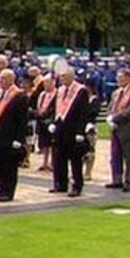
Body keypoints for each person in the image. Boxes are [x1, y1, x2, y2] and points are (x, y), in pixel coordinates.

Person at [0, 69, 29, 202]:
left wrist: (19, 139)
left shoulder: (19, 96)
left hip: (9, 135)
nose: (0, 81)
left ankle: (8, 191)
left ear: (11, 79)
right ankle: (1, 188)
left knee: (9, 165)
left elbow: (22, 120)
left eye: (3, 78)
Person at [49, 67, 89, 197]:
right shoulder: (60, 91)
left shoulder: (80, 91)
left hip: (73, 129)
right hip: (61, 128)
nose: (62, 79)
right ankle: (61, 183)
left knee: (75, 159)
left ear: (72, 76)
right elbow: (55, 108)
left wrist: (80, 132)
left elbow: (83, 113)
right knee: (59, 158)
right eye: (61, 76)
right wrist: (53, 123)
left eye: (64, 76)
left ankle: (77, 185)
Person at [105, 68, 130, 192]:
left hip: (127, 129)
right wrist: (110, 117)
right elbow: (111, 107)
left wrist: (115, 118)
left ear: (128, 78)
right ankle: (117, 179)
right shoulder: (115, 93)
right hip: (115, 129)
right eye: (118, 77)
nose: (118, 80)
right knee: (115, 156)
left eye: (121, 77)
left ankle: (128, 181)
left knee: (129, 157)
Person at [33, 75, 56, 172]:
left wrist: (46, 114)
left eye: (47, 82)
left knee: (51, 143)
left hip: (50, 121)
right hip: (41, 120)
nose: (45, 85)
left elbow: (54, 108)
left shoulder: (56, 94)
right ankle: (44, 162)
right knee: (43, 143)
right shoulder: (42, 94)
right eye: (44, 83)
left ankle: (52, 162)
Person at [83, 79, 101, 180]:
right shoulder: (82, 99)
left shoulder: (95, 99)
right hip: (82, 125)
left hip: (90, 126)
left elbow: (94, 112)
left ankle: (88, 172)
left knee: (90, 149)